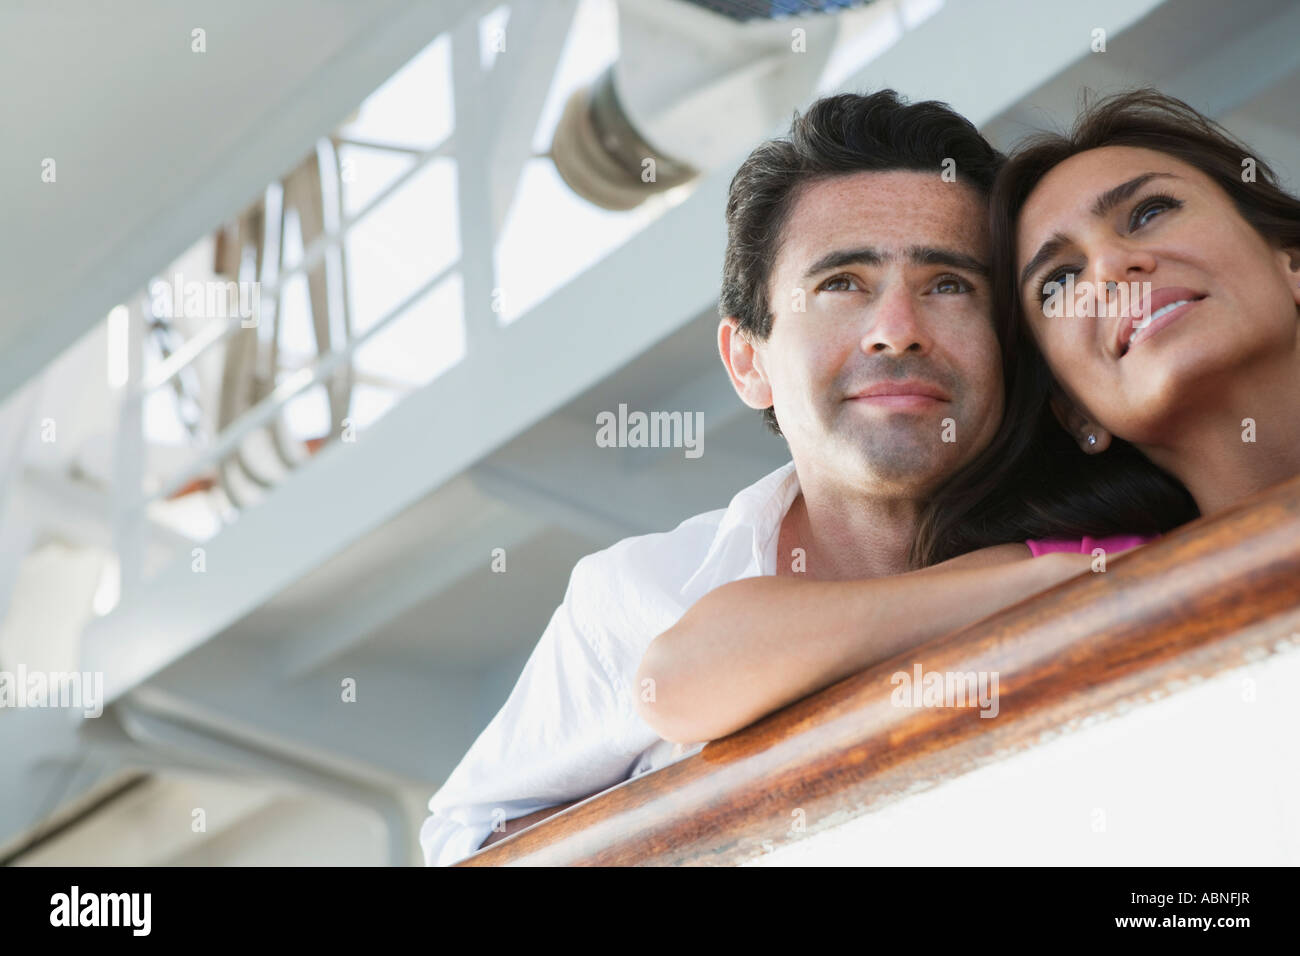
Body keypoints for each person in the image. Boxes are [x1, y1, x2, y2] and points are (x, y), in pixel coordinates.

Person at [419, 90, 1095, 867]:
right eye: (842, 283)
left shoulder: (1129, 525)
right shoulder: (638, 593)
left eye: (949, 284)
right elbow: (465, 846)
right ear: (748, 361)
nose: (898, 331)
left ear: (1010, 342)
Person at [646, 89, 1300, 750]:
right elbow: (680, 678)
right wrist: (1067, 580)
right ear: (1071, 410)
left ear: (1290, 259)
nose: (1110, 268)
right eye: (1058, 280)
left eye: (1151, 211)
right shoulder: (1082, 566)